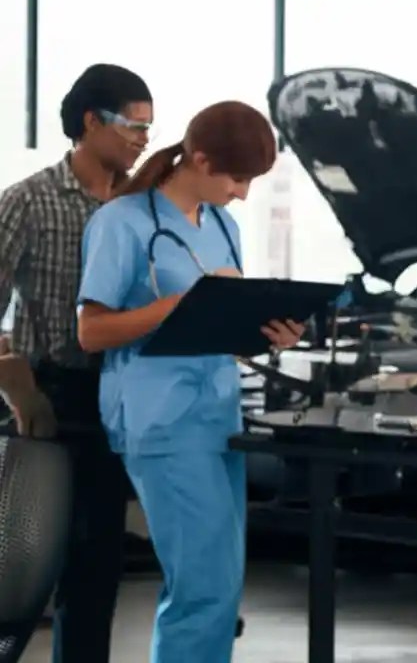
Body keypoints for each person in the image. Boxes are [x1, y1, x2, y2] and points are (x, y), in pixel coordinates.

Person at [76, 100, 304, 662]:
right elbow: (91, 331)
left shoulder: (223, 224)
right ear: (199, 159)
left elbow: (215, 323)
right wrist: (180, 305)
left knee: (222, 585)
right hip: (159, 420)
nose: (244, 193)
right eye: (238, 178)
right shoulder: (122, 222)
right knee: (201, 587)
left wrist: (268, 330)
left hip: (217, 418)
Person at [0, 63, 153, 662]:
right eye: (133, 125)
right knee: (25, 567)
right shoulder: (28, 202)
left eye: (149, 128)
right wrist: (19, 393)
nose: (143, 139)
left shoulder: (144, 210)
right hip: (49, 403)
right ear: (91, 123)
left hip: (120, 397)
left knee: (97, 566)